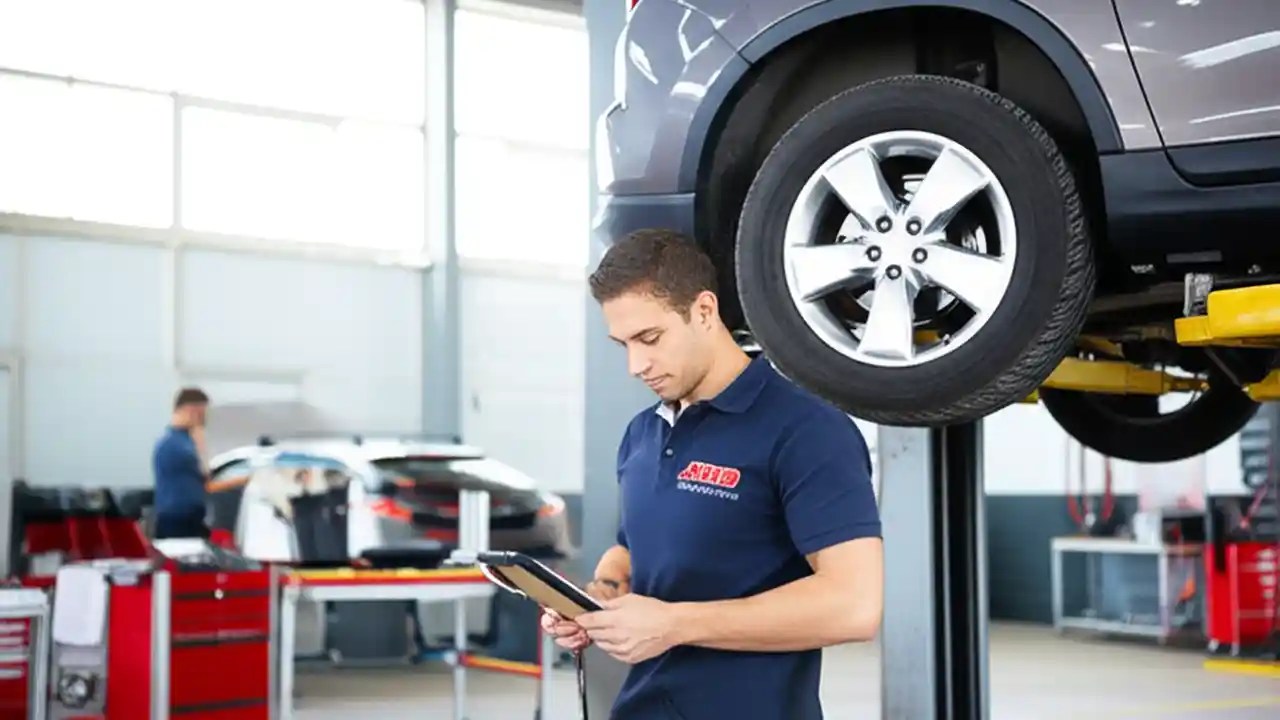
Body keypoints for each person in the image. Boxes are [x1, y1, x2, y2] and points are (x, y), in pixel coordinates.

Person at [541, 229, 884, 719]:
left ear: (704, 311)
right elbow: (631, 553)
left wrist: (675, 624)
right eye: (623, 344)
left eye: (650, 338)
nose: (636, 365)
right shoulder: (641, 435)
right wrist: (598, 603)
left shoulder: (806, 429)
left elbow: (854, 605)